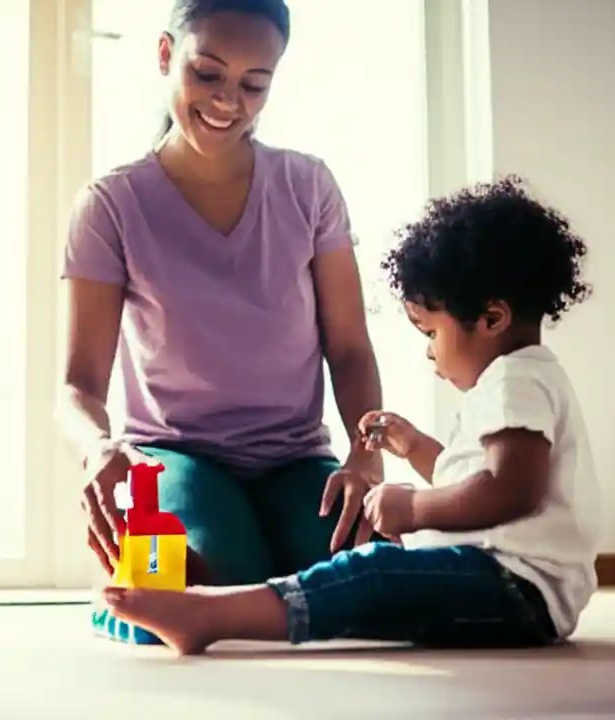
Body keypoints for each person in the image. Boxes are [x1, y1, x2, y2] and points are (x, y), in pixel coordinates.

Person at [100, 176, 602, 654]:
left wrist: (415, 509)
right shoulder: (518, 380)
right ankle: (222, 610)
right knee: (369, 582)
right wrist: (415, 446)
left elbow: (510, 489)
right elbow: (477, 475)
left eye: (432, 333)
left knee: (373, 574)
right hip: (505, 586)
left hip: (512, 588)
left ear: (492, 319)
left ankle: (214, 616)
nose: (430, 354)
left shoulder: (516, 381)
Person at [59, 0, 384, 588]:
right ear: (165, 55)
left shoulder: (308, 186)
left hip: (296, 458)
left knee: (366, 569)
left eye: (254, 84)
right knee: (212, 577)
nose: (228, 101)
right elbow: (78, 387)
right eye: (206, 73)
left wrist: (366, 455)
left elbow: (351, 349)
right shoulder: (110, 206)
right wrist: (97, 449)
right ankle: (144, 582)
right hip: (173, 457)